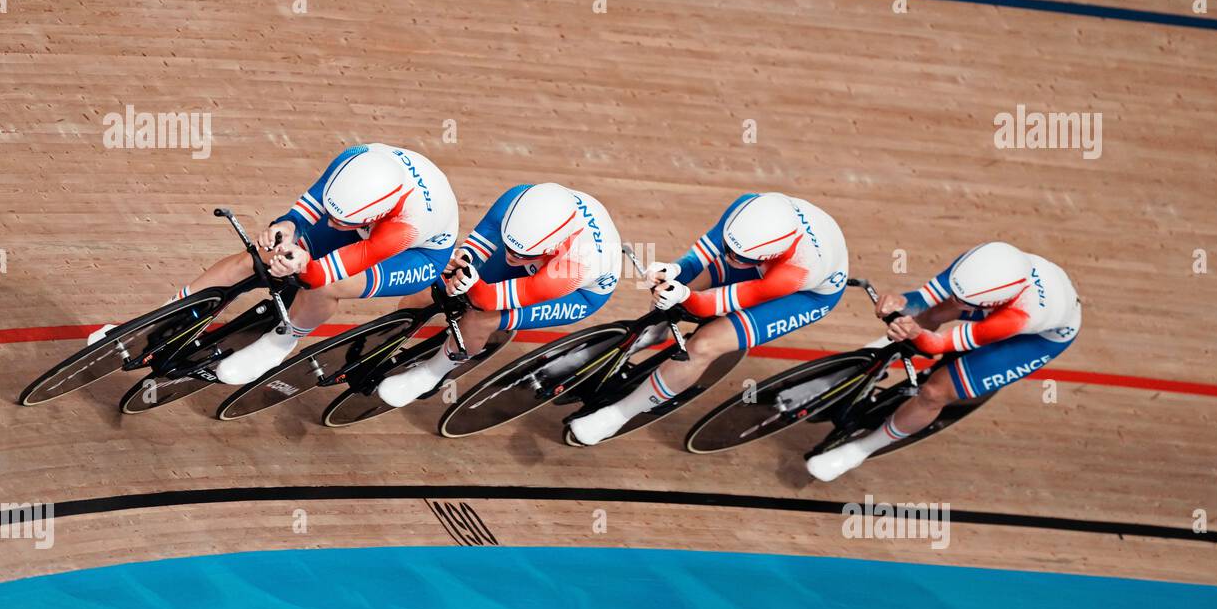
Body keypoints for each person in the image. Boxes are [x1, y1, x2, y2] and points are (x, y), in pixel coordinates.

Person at [86, 143, 459, 384]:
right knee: (262, 258)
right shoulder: (354, 160)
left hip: (418, 255)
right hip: (371, 222)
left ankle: (280, 342)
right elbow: (310, 209)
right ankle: (160, 317)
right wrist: (285, 227)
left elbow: (330, 269)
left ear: (372, 216)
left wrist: (303, 265)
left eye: (342, 222)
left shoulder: (405, 228)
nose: (331, 223)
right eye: (334, 214)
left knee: (326, 285)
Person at [568, 192, 848, 445]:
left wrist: (684, 294)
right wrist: (674, 269)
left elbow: (710, 304)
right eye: (728, 246)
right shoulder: (745, 208)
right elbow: (699, 258)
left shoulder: (796, 272)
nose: (729, 256)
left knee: (704, 345)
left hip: (804, 296)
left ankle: (618, 415)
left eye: (737, 255)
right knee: (688, 282)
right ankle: (655, 331)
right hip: (764, 261)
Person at [804, 241, 1081, 481]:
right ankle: (872, 358)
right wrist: (899, 301)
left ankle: (860, 450)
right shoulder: (978, 265)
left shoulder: (1022, 316)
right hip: (1002, 302)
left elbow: (939, 345)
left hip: (1035, 339)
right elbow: (924, 298)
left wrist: (916, 332)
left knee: (935, 391)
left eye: (965, 302)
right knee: (935, 311)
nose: (957, 303)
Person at [376, 182, 622, 406]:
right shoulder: (516, 199)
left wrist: (473, 285)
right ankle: (390, 336)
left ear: (553, 246)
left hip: (576, 294)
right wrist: (461, 263)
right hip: (541, 259)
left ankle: (432, 373)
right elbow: (477, 247)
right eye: (509, 244)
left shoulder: (577, 266)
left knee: (481, 318)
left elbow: (486, 300)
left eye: (522, 254)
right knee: (434, 285)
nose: (512, 256)